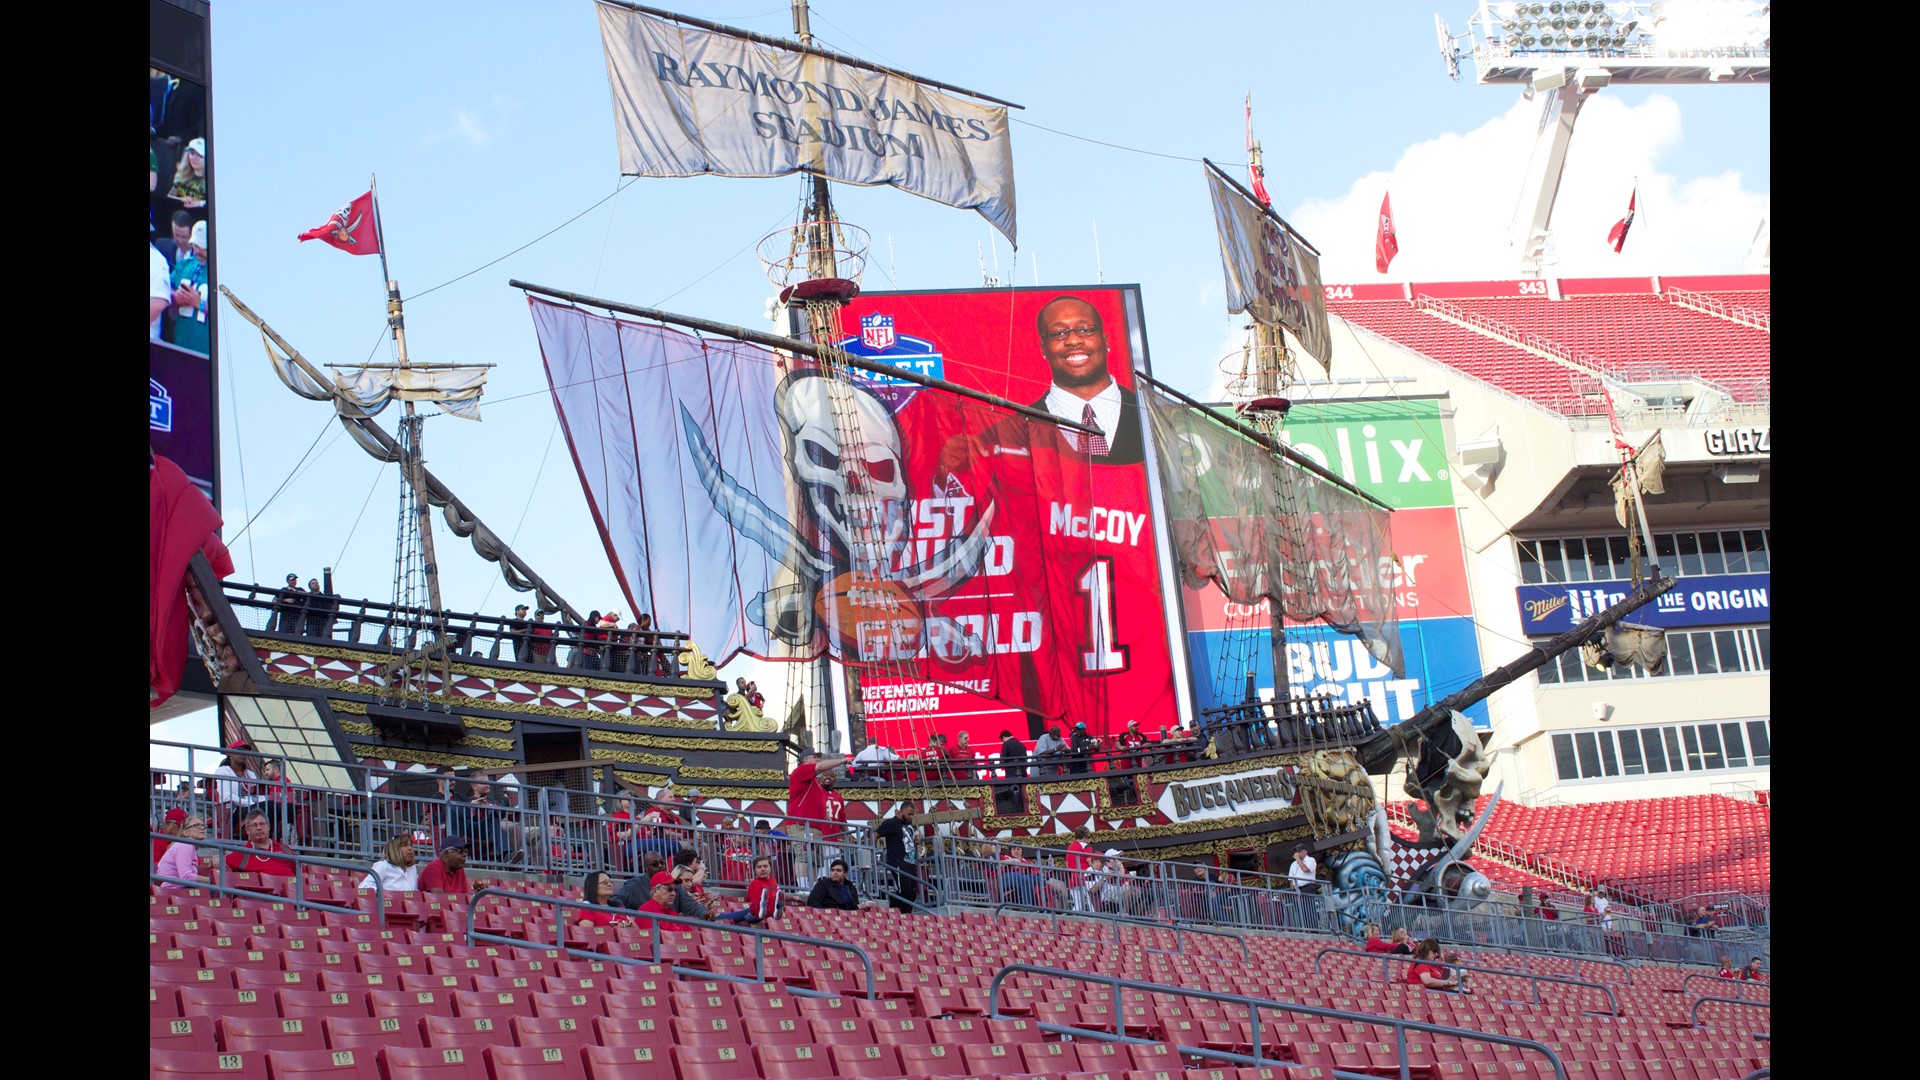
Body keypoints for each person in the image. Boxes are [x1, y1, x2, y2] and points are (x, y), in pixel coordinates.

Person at [787, 749, 848, 880]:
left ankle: (812, 888)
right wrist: (842, 760)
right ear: (805, 759)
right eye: (814, 757)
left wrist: (824, 814)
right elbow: (820, 767)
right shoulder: (801, 771)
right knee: (804, 856)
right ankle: (804, 887)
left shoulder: (814, 783)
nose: (817, 760)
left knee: (814, 860)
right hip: (802, 825)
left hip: (815, 828)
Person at [876, 802, 921, 913]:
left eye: (912, 815)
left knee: (912, 892)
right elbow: (876, 834)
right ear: (901, 811)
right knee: (903, 889)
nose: (911, 817)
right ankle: (893, 910)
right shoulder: (890, 823)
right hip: (898, 862)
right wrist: (872, 851)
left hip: (910, 862)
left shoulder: (909, 826)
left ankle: (906, 915)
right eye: (909, 814)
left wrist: (916, 840)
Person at [226, 810, 298, 879]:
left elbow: (301, 872)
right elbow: (222, 861)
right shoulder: (243, 853)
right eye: (254, 825)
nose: (259, 828)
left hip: (292, 890)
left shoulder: (284, 849)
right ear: (247, 830)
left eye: (262, 824)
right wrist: (217, 859)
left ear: (268, 826)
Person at [724, 855, 785, 926]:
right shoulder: (754, 884)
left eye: (765, 866)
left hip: (769, 910)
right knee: (725, 918)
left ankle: (773, 911)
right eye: (759, 867)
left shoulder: (773, 880)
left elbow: (778, 894)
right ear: (755, 870)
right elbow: (756, 906)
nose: (762, 869)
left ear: (770, 868)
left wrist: (794, 898)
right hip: (754, 913)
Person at [156, 815, 208, 887]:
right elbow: (186, 877)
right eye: (196, 825)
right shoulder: (185, 845)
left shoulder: (187, 845)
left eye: (203, 825)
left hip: (179, 887)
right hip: (173, 889)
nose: (202, 828)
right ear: (185, 832)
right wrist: (209, 880)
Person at [167, 136, 207, 211]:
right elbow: (170, 196)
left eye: (200, 155)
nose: (194, 158)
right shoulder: (182, 175)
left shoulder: (212, 181)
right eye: (192, 153)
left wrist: (200, 203)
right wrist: (181, 199)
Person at [1286, 843, 1321, 928]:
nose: (1297, 853)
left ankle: (1314, 928)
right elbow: (1291, 879)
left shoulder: (1311, 860)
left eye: (1299, 851)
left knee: (1309, 909)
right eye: (1296, 852)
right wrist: (1292, 890)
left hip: (1308, 887)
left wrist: (1298, 860)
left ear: (1305, 852)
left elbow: (1305, 869)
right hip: (1297, 889)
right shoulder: (1293, 864)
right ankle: (1305, 928)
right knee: (1300, 910)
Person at [1065, 826, 1096, 913]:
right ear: (1085, 836)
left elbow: (1067, 864)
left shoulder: (1070, 846)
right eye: (1088, 837)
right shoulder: (1086, 847)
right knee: (1092, 904)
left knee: (1078, 905)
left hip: (1073, 877)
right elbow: (1089, 861)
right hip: (1085, 877)